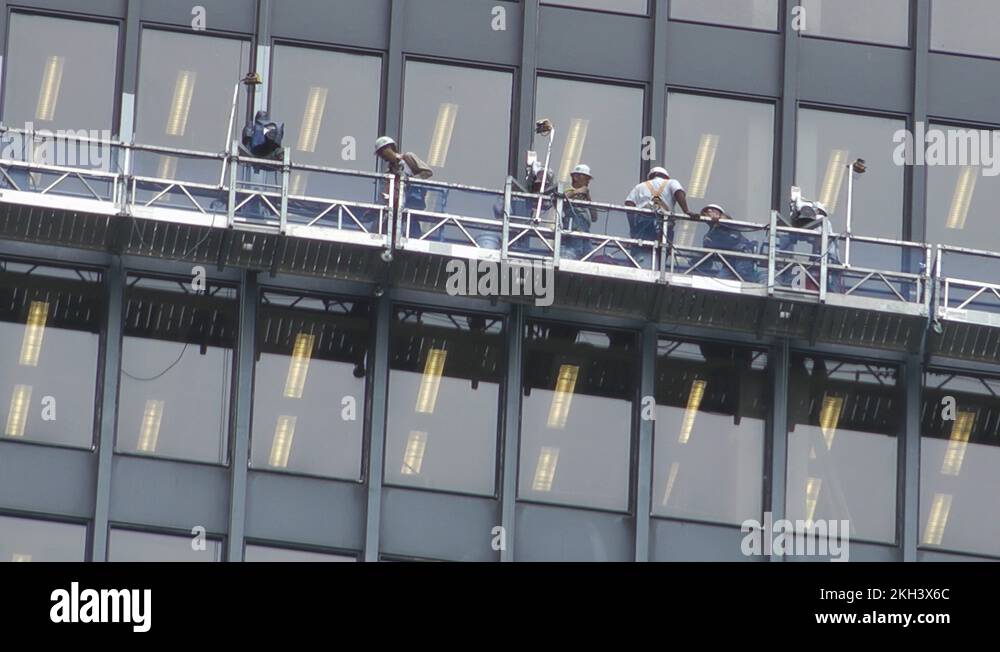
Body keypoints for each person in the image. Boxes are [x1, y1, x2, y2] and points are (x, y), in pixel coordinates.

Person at [375, 136, 434, 237]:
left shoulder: (407, 158)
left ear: (389, 148)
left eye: (382, 152)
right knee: (385, 228)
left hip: (411, 200)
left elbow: (428, 172)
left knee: (412, 224)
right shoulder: (390, 171)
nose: (381, 156)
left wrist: (411, 179)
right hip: (396, 204)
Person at [699, 203, 760, 282]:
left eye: (712, 211)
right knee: (719, 282)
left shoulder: (728, 225)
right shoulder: (709, 235)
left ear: (720, 214)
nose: (709, 213)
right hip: (729, 263)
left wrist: (721, 221)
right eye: (707, 212)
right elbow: (708, 252)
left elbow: (733, 239)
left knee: (746, 280)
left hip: (742, 256)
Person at [561, 163, 599, 260]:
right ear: (576, 177)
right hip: (573, 231)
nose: (588, 181)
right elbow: (559, 202)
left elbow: (594, 217)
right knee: (572, 255)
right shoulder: (567, 191)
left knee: (590, 257)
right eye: (586, 178)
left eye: (588, 179)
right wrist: (576, 192)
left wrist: (588, 197)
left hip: (585, 234)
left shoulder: (585, 196)